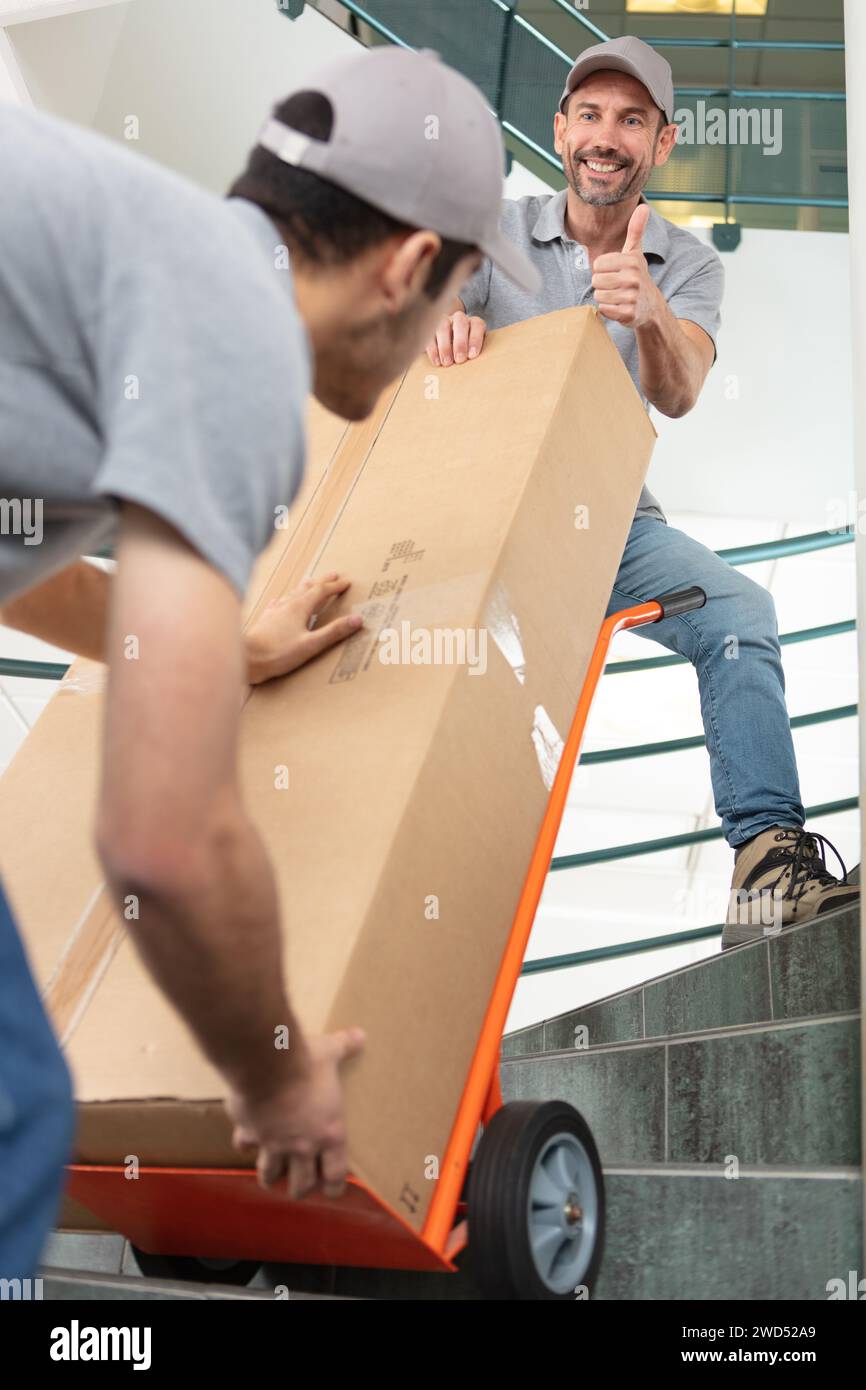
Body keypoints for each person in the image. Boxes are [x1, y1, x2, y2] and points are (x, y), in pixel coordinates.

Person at [0, 45, 540, 1279]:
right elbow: (163, 838)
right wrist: (278, 1074)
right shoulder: (233, 346)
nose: (442, 333)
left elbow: (15, 548)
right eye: (460, 291)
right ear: (409, 268)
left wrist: (229, 650)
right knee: (15, 1108)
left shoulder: (140, 268)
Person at [428, 35, 858, 952]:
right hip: (483, 515)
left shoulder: (692, 266)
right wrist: (447, 322)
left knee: (741, 611)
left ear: (661, 145)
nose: (606, 136)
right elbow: (417, 309)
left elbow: (682, 391)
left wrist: (647, 308)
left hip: (614, 525)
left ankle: (768, 875)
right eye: (590, 114)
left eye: (632, 120)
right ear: (561, 128)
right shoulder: (489, 230)